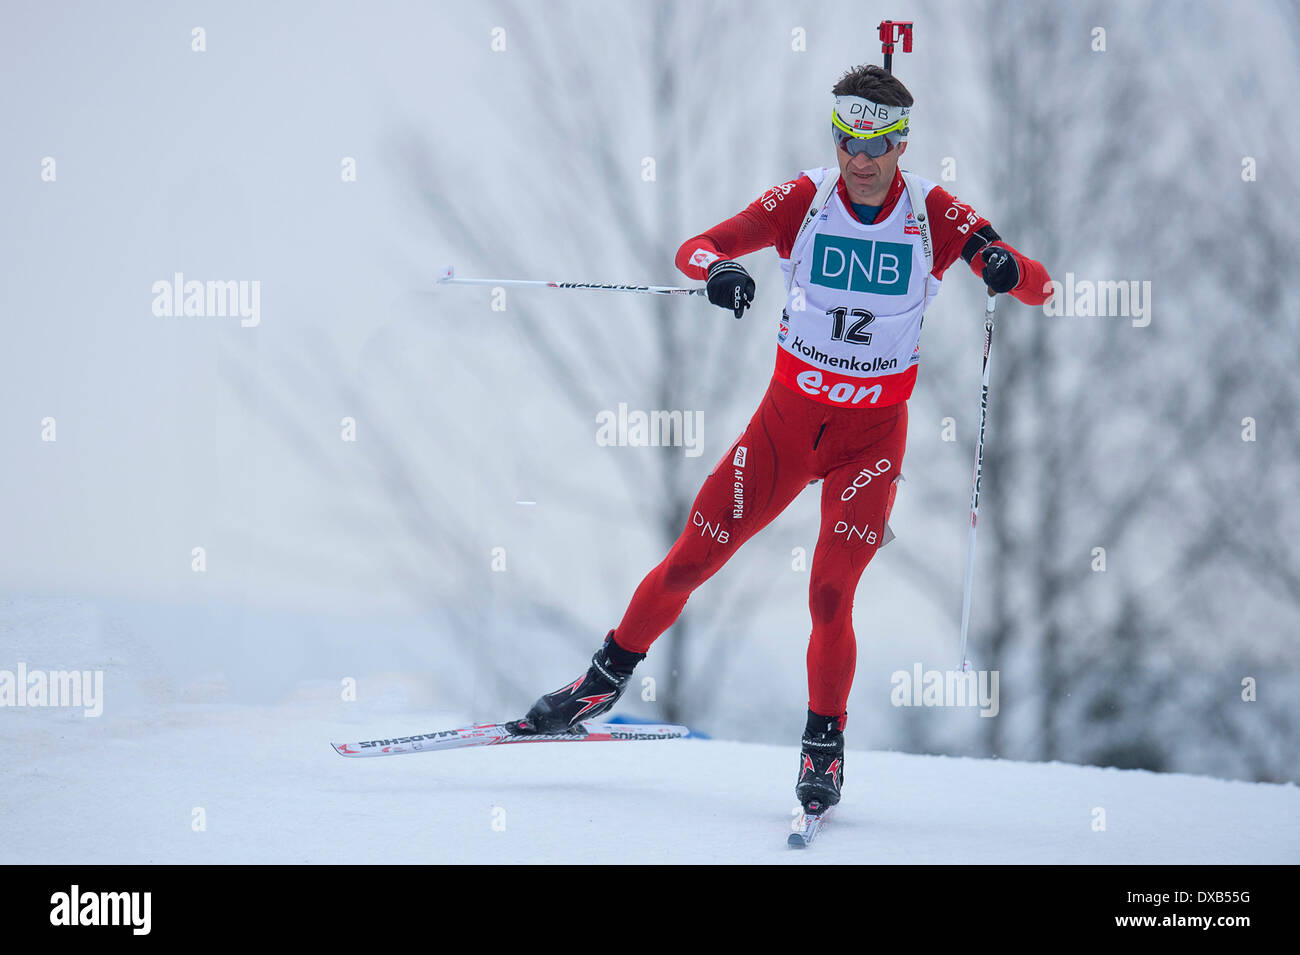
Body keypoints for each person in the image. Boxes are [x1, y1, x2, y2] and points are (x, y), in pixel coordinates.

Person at [514, 63, 1052, 815]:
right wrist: (723, 270)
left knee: (831, 592)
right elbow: (697, 246)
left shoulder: (933, 211)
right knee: (687, 562)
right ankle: (598, 683)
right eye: (846, 142)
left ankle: (823, 750)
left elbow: (1040, 284)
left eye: (876, 146)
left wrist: (1002, 263)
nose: (858, 161)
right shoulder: (806, 197)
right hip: (783, 431)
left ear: (901, 145)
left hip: (869, 443)